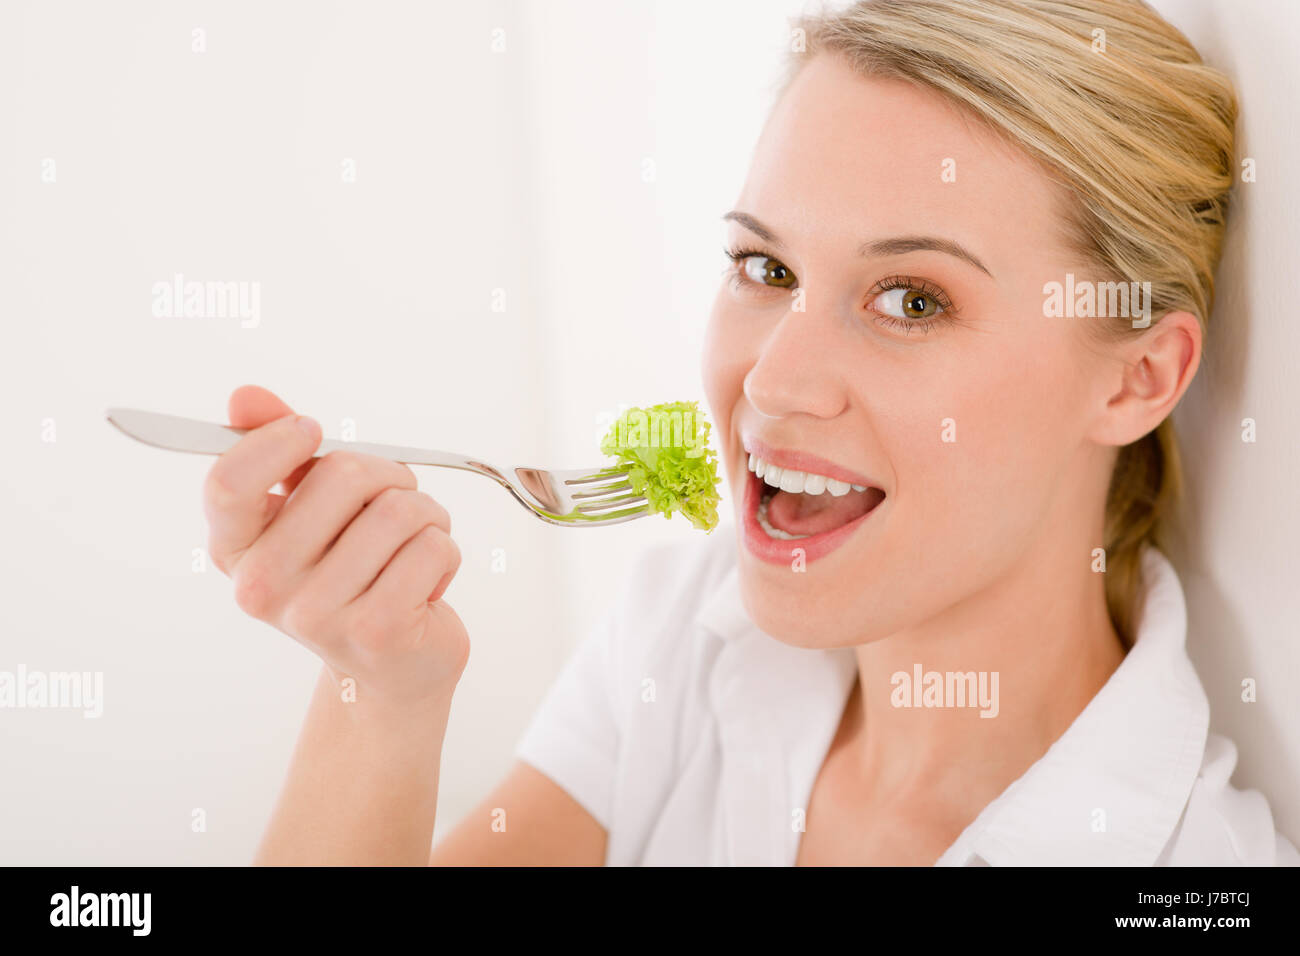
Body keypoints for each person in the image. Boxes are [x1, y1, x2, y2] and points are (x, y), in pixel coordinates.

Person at [201, 0, 1297, 865]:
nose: (770, 378)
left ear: (1138, 376)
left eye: (912, 299)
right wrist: (380, 691)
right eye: (765, 270)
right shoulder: (681, 637)